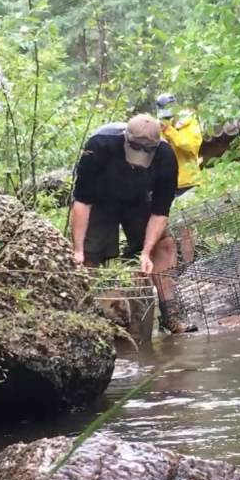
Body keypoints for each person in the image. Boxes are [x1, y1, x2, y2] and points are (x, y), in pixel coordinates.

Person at [70, 114, 195, 333]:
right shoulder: (99, 146)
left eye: (146, 153)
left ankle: (171, 315)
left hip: (138, 201)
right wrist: (78, 249)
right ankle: (86, 320)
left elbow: (159, 212)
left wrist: (146, 252)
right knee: (87, 258)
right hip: (99, 202)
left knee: (163, 245)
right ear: (125, 139)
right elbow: (82, 202)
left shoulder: (166, 157)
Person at [155, 92, 202, 263]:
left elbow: (191, 147)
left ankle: (191, 267)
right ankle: (174, 272)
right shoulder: (157, 126)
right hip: (166, 185)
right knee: (166, 231)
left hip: (187, 182)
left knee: (185, 228)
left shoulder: (190, 123)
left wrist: (170, 132)